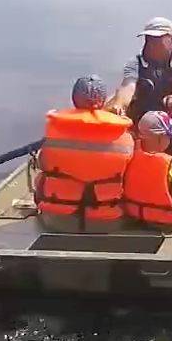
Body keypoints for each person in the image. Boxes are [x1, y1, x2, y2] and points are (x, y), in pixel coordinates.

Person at [103, 16, 172, 197]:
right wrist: (119, 105)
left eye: (158, 39)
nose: (151, 43)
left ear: (171, 40)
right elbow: (128, 86)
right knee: (115, 149)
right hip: (144, 128)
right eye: (149, 39)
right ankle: (120, 195)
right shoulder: (135, 63)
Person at [34, 75, 133, 232]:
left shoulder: (53, 129)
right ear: (102, 102)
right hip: (107, 222)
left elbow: (43, 163)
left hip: (57, 221)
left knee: (41, 174)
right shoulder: (124, 136)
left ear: (74, 99)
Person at [122, 111, 172, 228]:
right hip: (164, 220)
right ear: (160, 138)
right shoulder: (169, 163)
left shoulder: (129, 156)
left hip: (134, 215)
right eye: (168, 137)